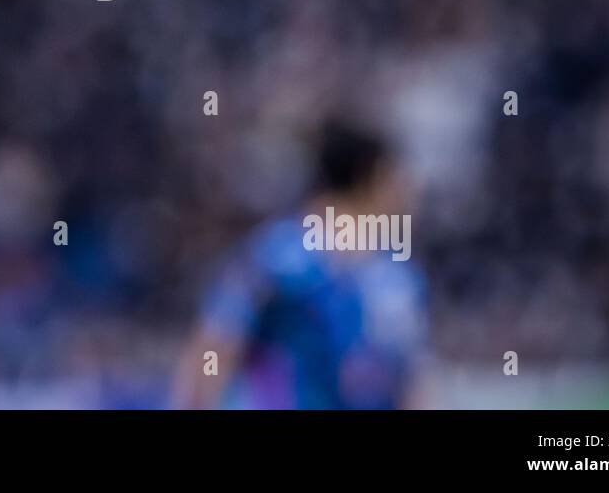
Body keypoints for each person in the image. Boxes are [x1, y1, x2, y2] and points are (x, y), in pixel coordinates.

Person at [174, 118, 428, 409]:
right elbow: (214, 347)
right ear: (367, 179)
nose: (407, 191)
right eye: (396, 178)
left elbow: (410, 380)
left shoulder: (398, 277)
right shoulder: (279, 259)